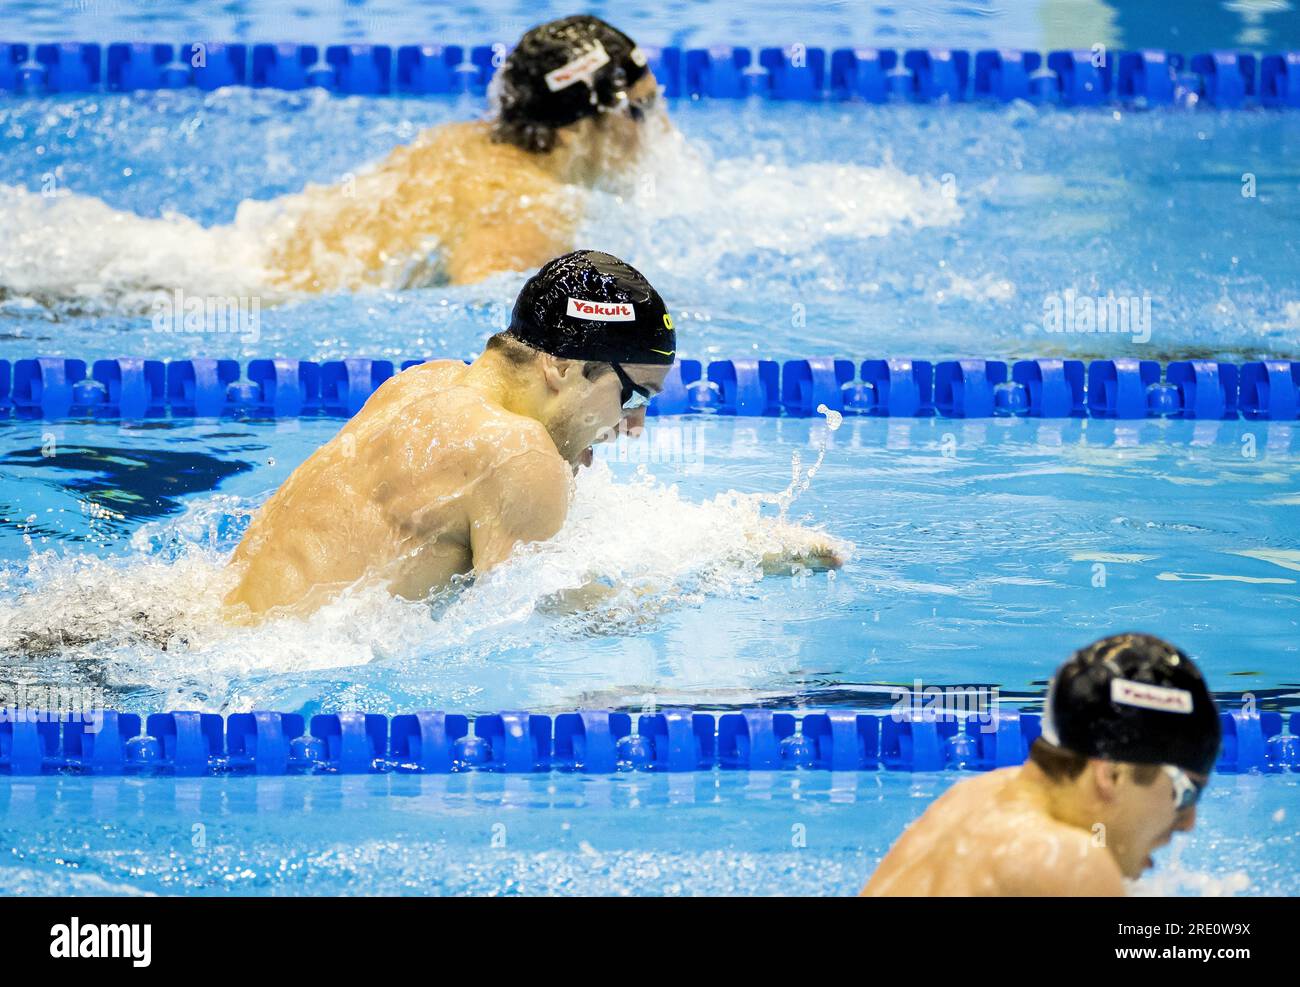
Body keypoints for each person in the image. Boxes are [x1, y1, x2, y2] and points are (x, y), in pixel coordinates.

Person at [224, 250, 842, 618]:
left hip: (203, 626)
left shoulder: (423, 384)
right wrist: (727, 565)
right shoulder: (517, 451)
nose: (633, 426)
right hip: (260, 679)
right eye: (631, 395)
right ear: (564, 366)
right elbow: (541, 622)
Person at [267, 15, 668, 291]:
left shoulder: (462, 142)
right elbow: (486, 318)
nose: (659, 128)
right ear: (576, 129)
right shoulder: (526, 207)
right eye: (640, 110)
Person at [861, 632, 1221, 896]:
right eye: (1185, 794)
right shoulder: (1068, 863)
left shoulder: (975, 796)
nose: (1188, 823)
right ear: (1111, 773)